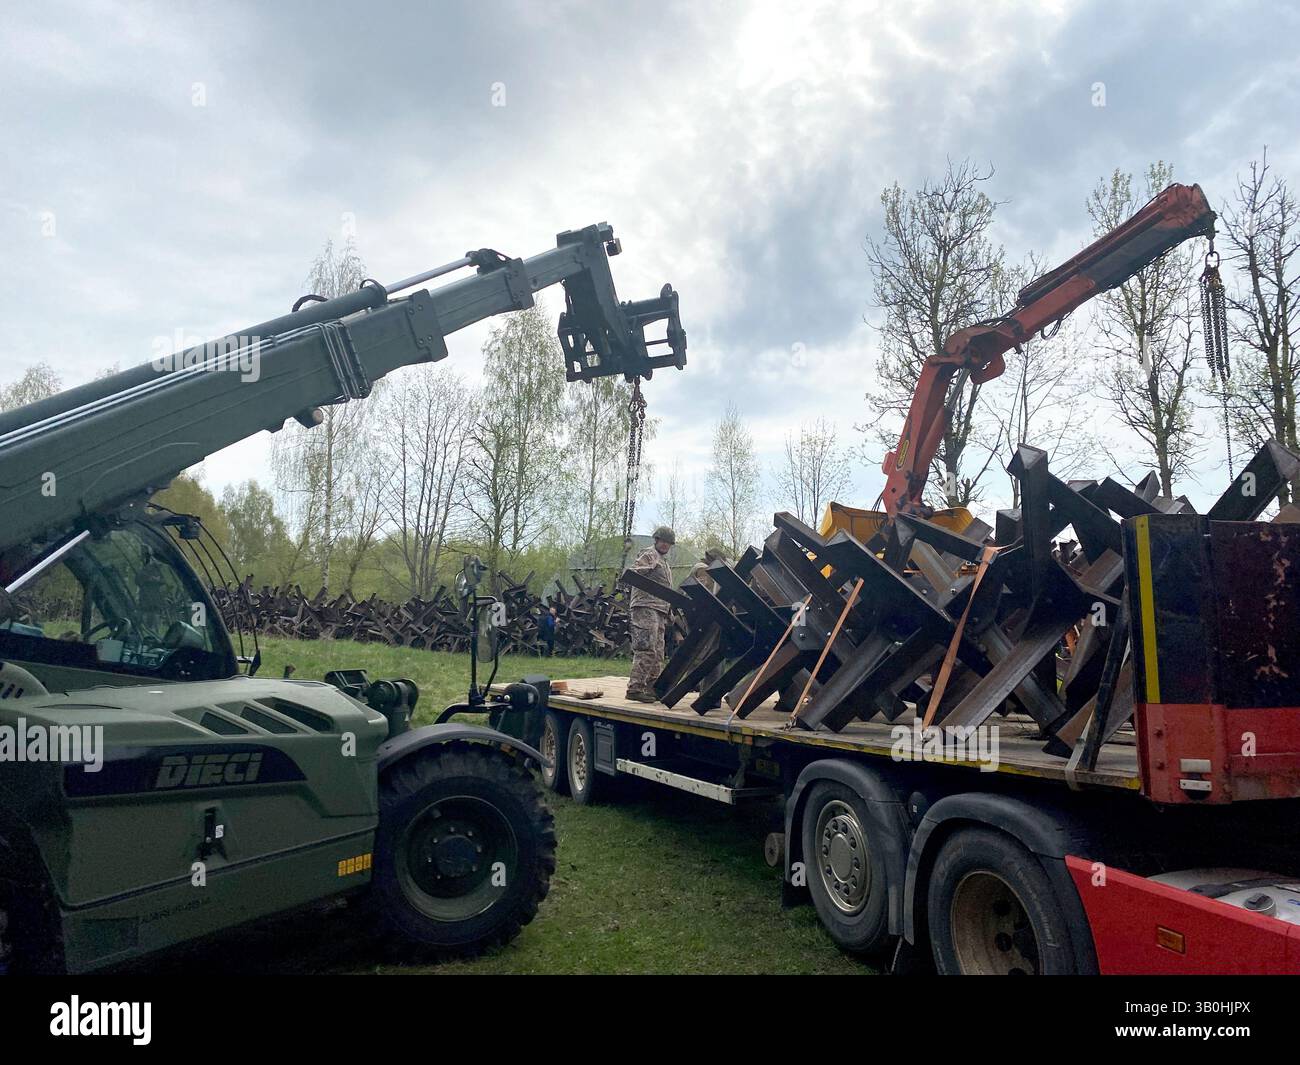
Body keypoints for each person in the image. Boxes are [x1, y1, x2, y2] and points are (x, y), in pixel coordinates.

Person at [626, 525, 675, 702]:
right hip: (645, 605)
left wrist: (669, 611)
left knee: (658, 650)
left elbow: (665, 588)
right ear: (656, 540)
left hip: (660, 609)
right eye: (663, 541)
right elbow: (634, 573)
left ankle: (652, 686)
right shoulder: (649, 554)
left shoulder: (664, 562)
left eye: (668, 543)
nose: (665, 545)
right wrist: (644, 569)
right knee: (646, 647)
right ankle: (635, 687)